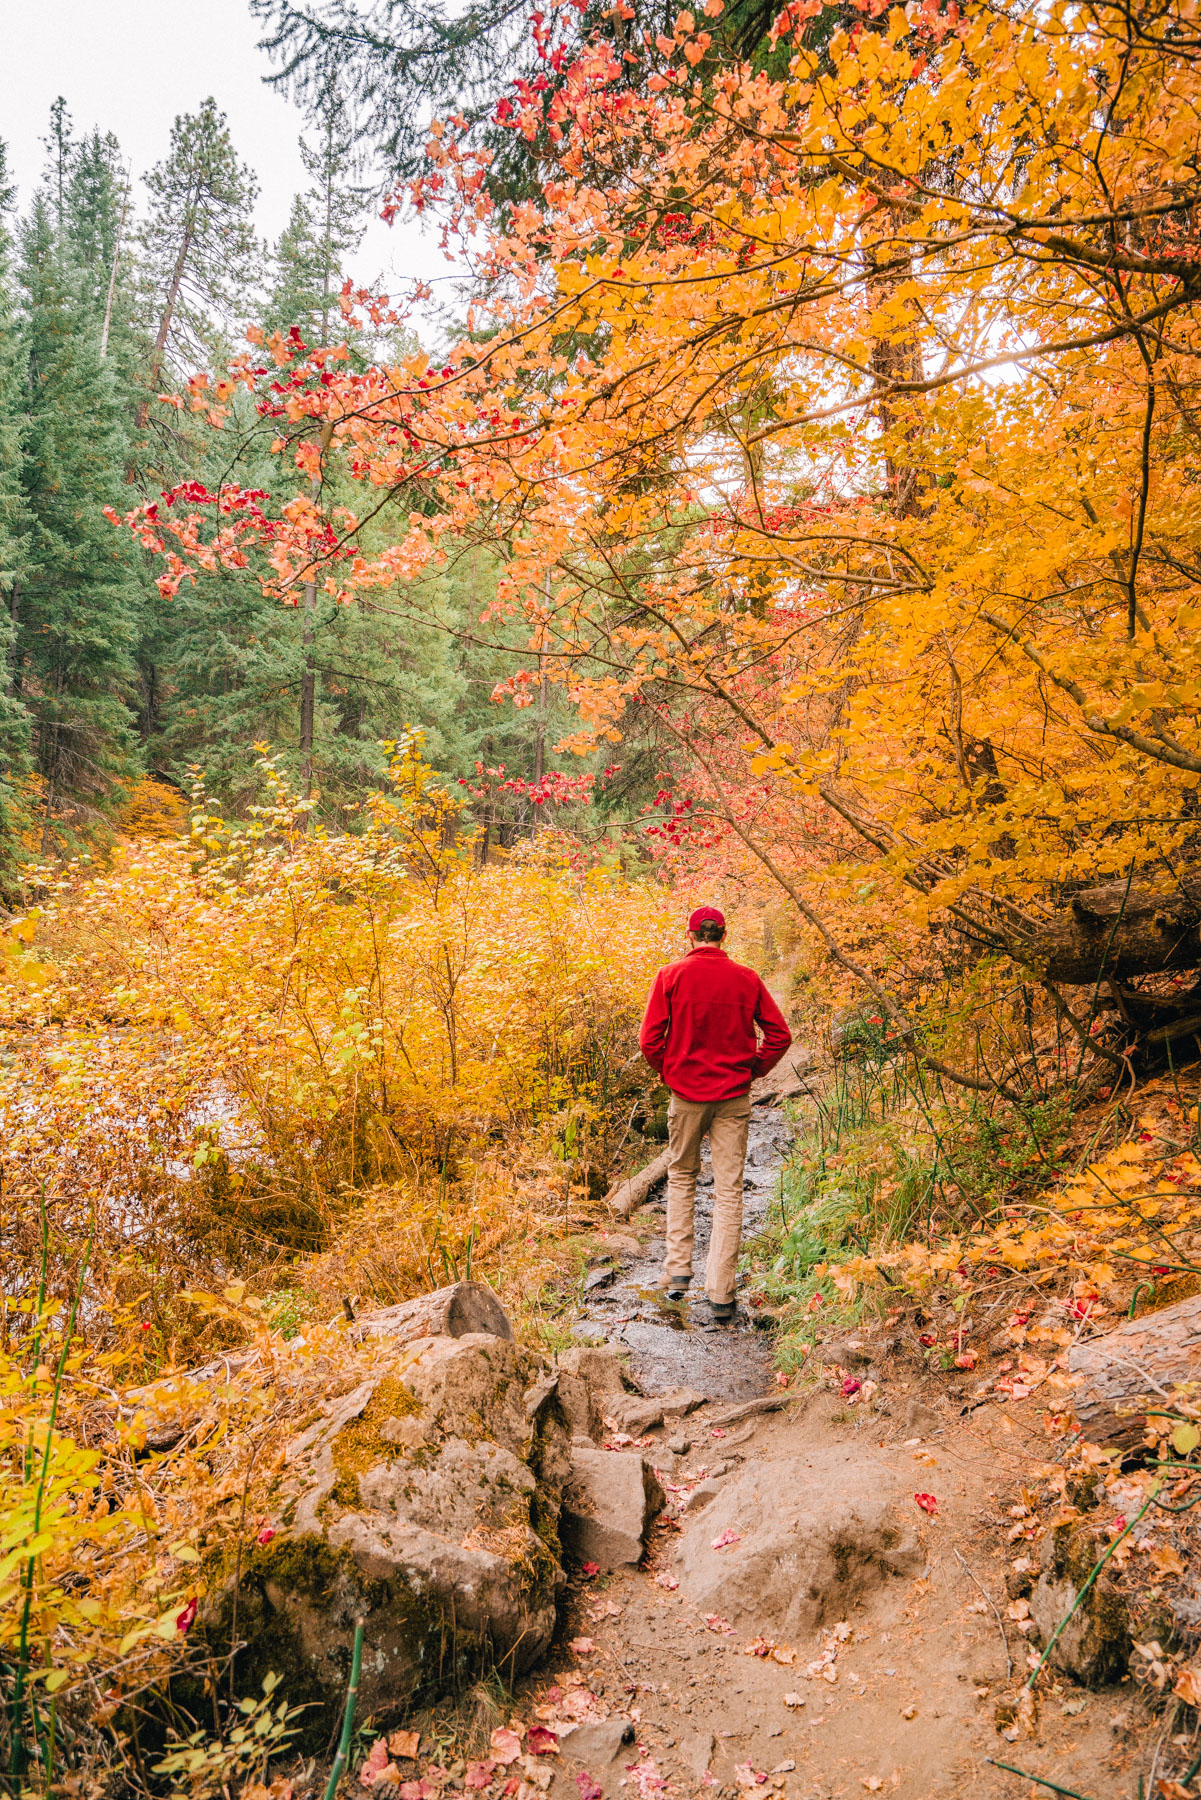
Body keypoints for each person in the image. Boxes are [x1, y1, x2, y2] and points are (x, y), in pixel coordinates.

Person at [638, 906, 792, 1322]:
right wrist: (752, 1070)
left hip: (686, 1095)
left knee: (682, 1175)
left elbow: (650, 1039)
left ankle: (677, 1275)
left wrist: (671, 1071)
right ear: (723, 936)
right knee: (728, 1190)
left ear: (690, 936)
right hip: (733, 1096)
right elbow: (780, 1035)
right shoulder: (746, 978)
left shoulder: (670, 976)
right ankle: (721, 1292)